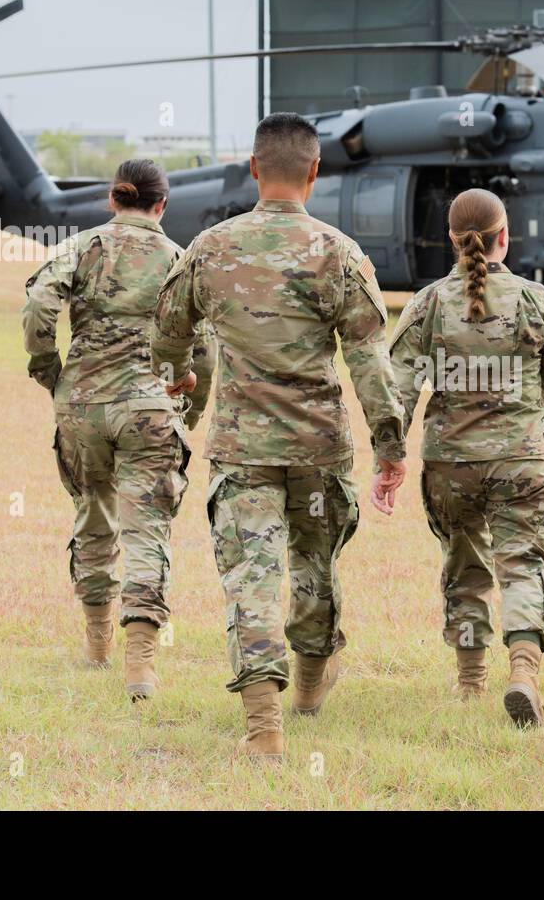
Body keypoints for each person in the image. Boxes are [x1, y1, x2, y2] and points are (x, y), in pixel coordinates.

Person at [151, 112, 407, 761]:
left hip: (244, 450)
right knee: (315, 571)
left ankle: (264, 727)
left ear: (255, 167)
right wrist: (390, 446)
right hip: (319, 450)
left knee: (252, 582)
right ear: (315, 172)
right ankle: (312, 686)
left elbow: (167, 334)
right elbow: (370, 361)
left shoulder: (209, 248)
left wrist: (182, 371)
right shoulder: (339, 253)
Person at [22, 158, 214, 700]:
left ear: (112, 199)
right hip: (151, 408)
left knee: (94, 515)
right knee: (147, 529)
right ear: (162, 206)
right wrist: (189, 409)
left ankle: (96, 646)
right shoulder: (180, 260)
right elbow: (205, 346)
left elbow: (39, 303)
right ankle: (141, 668)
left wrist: (50, 373)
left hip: (82, 406)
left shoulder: (81, 247)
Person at [386, 188, 544, 727]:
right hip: (522, 462)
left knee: (465, 567)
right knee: (522, 566)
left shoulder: (428, 304)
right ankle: (523, 671)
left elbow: (398, 391)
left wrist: (389, 458)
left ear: (450, 240)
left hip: (451, 467)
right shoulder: (537, 301)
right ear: (504, 237)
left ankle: (470, 680)